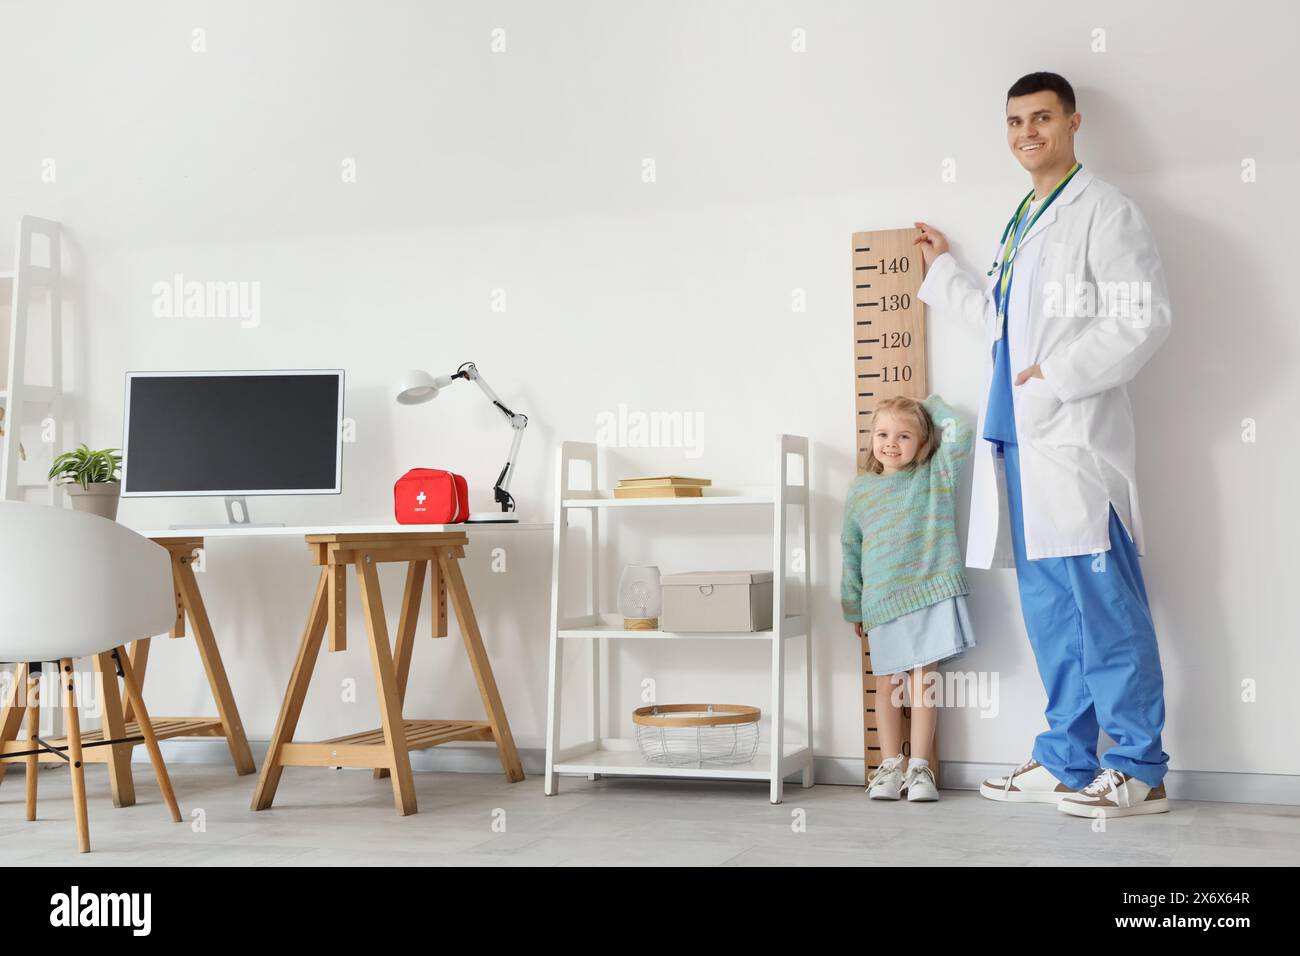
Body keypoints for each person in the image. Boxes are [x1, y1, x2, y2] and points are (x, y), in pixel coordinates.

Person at [912, 71, 1172, 818]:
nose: (1027, 132)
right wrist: (943, 271)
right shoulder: (1026, 217)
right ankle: (1065, 757)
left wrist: (1056, 374)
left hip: (1073, 440)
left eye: (1041, 118)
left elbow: (1143, 316)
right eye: (1015, 121)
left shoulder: (1104, 210)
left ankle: (1139, 768)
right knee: (1052, 614)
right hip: (1020, 443)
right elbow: (999, 318)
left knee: (1105, 608)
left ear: (1072, 123)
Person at [842, 394, 974, 803]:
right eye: (882, 434)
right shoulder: (861, 490)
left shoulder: (935, 474)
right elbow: (851, 548)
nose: (891, 443)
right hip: (882, 603)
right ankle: (888, 767)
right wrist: (853, 603)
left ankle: (920, 769)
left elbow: (961, 432)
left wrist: (926, 405)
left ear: (923, 442)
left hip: (929, 593)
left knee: (923, 685)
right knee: (886, 686)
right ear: (871, 439)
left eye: (904, 435)